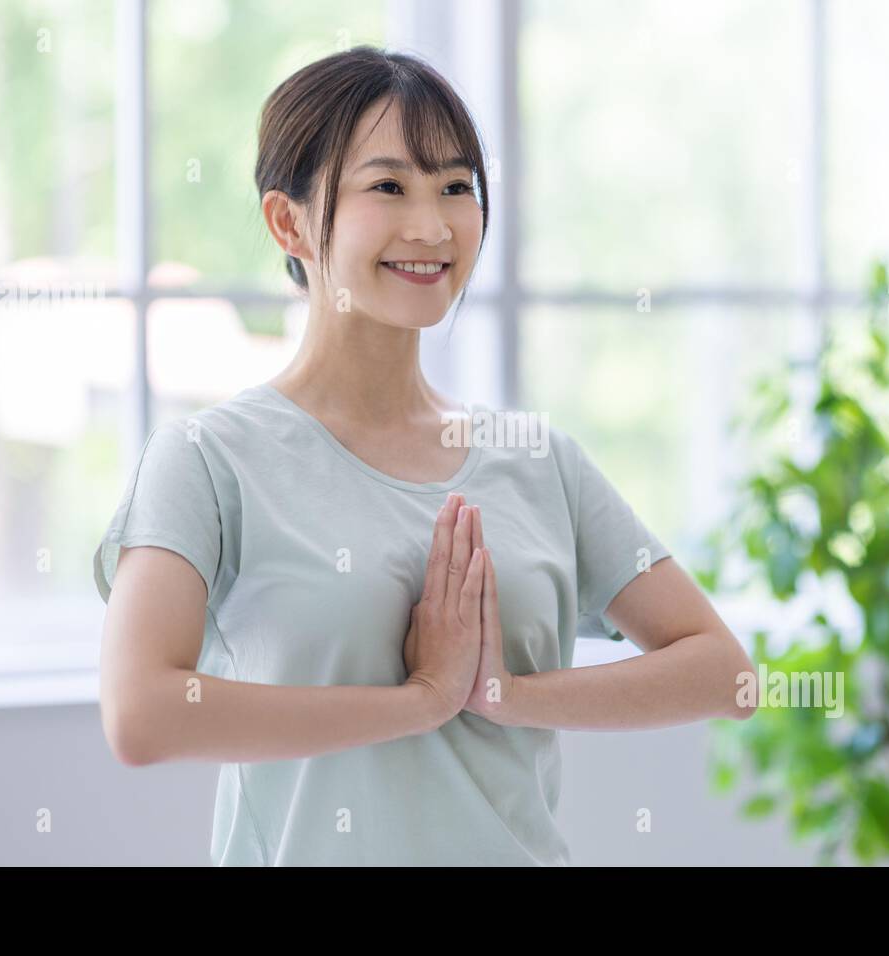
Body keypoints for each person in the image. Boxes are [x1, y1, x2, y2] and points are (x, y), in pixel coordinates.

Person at [93, 45, 754, 867]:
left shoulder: (537, 459)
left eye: (455, 188)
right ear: (288, 222)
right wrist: (419, 702)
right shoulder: (206, 460)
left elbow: (725, 673)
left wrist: (504, 696)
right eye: (388, 187)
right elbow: (142, 715)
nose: (433, 226)